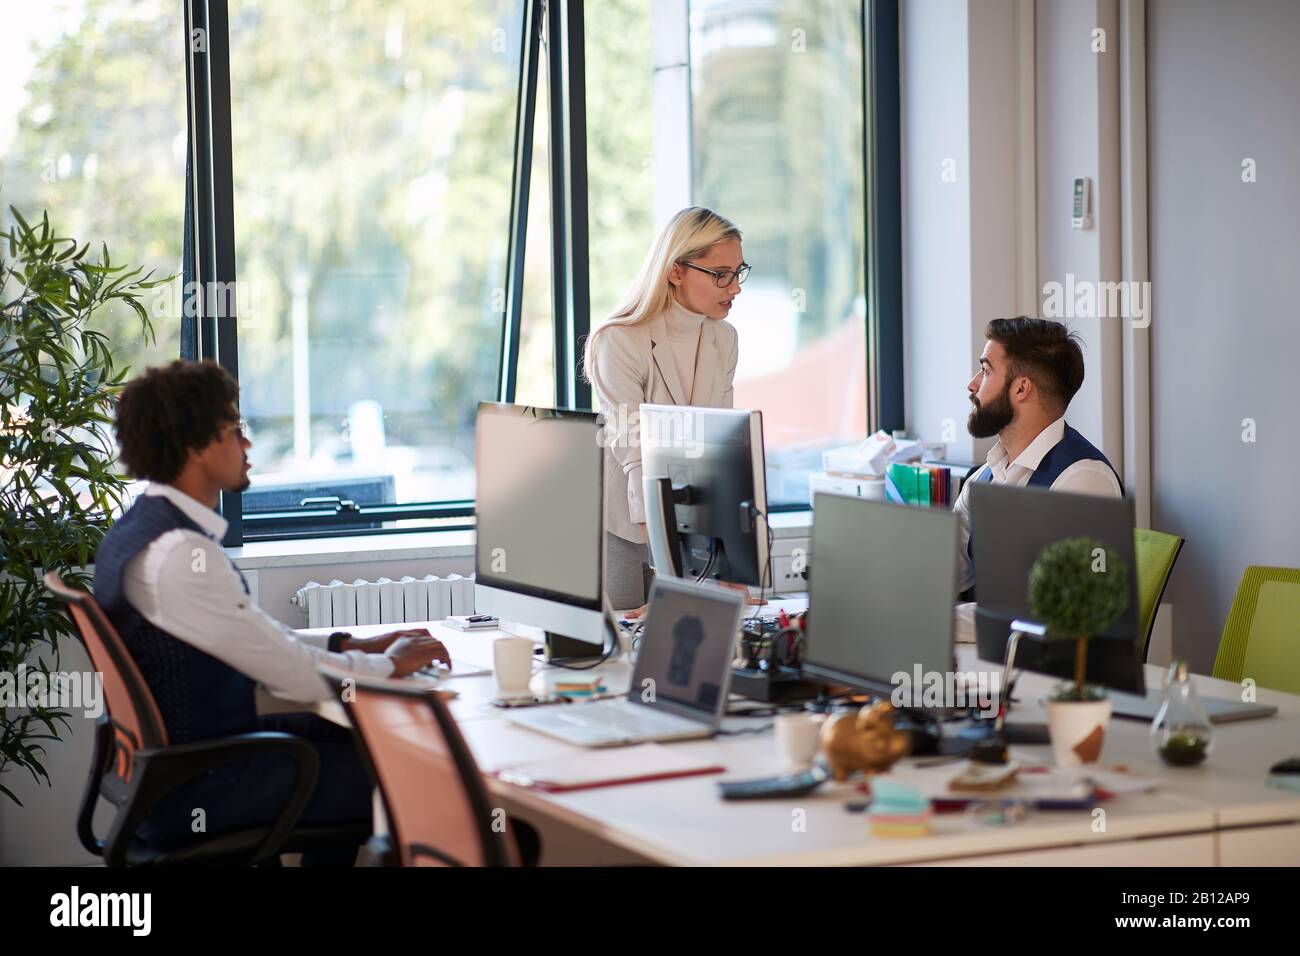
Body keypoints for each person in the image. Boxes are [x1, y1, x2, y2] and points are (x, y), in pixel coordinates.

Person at [95, 359, 449, 863]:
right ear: (196, 447)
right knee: (415, 768)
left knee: (366, 742)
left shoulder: (143, 531)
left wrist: (349, 646)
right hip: (204, 786)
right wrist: (390, 666)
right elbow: (295, 680)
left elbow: (254, 637)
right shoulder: (179, 555)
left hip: (178, 770)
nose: (248, 444)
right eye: (234, 430)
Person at [583, 206, 747, 610]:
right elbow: (637, 455)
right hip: (625, 520)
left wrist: (723, 560)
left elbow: (719, 449)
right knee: (626, 633)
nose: (735, 287)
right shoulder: (619, 341)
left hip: (693, 515)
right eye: (720, 274)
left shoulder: (723, 339)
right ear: (676, 271)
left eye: (738, 272)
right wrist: (677, 579)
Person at [955, 317, 1122, 600]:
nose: (972, 385)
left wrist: (949, 621)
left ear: (1021, 388)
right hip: (993, 644)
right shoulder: (983, 479)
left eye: (985, 370)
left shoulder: (1084, 482)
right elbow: (943, 578)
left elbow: (1057, 611)